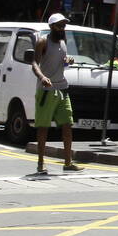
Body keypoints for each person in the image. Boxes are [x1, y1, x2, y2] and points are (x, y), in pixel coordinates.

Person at [32, 14, 83, 174]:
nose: (62, 29)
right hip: (47, 90)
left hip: (62, 88)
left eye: (64, 26)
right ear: (51, 27)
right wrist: (42, 77)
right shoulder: (43, 41)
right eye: (59, 26)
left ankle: (68, 162)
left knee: (67, 124)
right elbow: (34, 63)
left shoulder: (63, 41)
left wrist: (68, 60)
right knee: (43, 127)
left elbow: (62, 62)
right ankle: (41, 163)